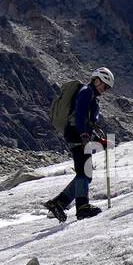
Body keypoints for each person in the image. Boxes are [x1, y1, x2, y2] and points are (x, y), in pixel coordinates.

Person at [45, 68, 114, 221]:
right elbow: (80, 115)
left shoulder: (91, 95)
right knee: (84, 172)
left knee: (86, 174)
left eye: (107, 88)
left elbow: (86, 121)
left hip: (78, 135)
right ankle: (82, 207)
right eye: (104, 86)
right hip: (77, 135)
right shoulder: (86, 92)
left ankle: (59, 203)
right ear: (96, 80)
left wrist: (95, 139)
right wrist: (83, 135)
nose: (105, 90)